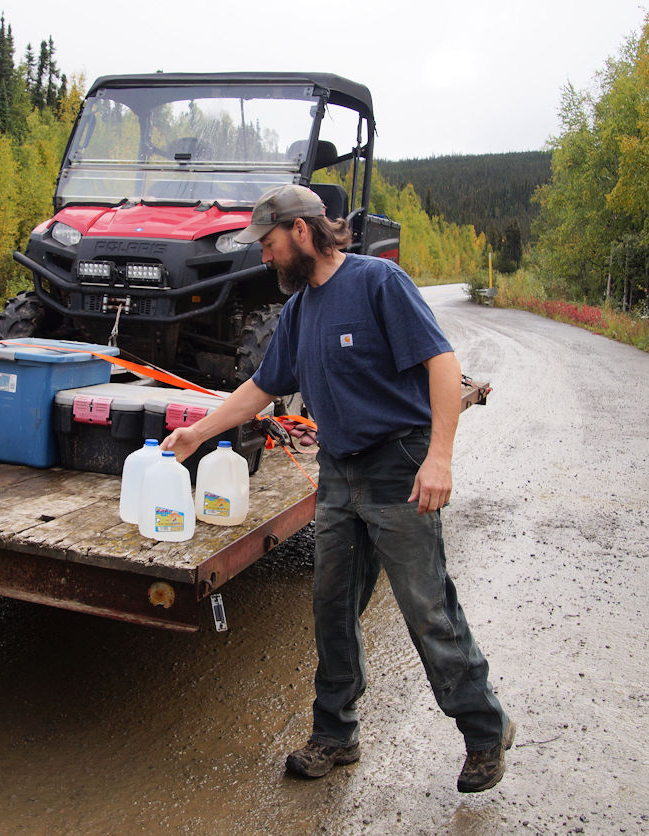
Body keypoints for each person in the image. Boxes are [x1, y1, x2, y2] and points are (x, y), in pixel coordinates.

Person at [161, 183, 514, 792]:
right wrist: (198, 431)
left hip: (398, 467)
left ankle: (485, 730)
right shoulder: (299, 311)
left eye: (268, 244)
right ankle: (335, 734)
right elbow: (262, 388)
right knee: (333, 609)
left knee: (426, 606)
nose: (263, 258)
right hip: (339, 472)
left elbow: (443, 366)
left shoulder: (378, 282)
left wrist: (439, 458)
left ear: (301, 232)